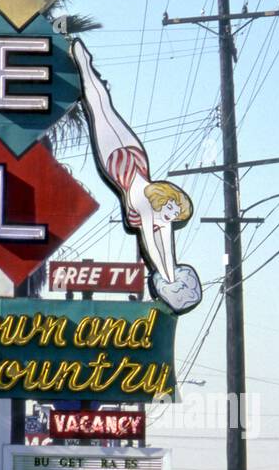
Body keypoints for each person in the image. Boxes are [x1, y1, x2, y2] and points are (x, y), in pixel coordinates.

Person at [71, 37, 201, 311]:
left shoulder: (158, 218)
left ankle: (85, 67)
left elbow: (164, 244)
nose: (171, 214)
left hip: (119, 164)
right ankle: (84, 66)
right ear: (167, 197)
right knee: (101, 107)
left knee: (101, 108)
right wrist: (167, 276)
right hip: (129, 157)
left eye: (174, 213)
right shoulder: (146, 205)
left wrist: (169, 274)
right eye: (172, 207)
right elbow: (153, 248)